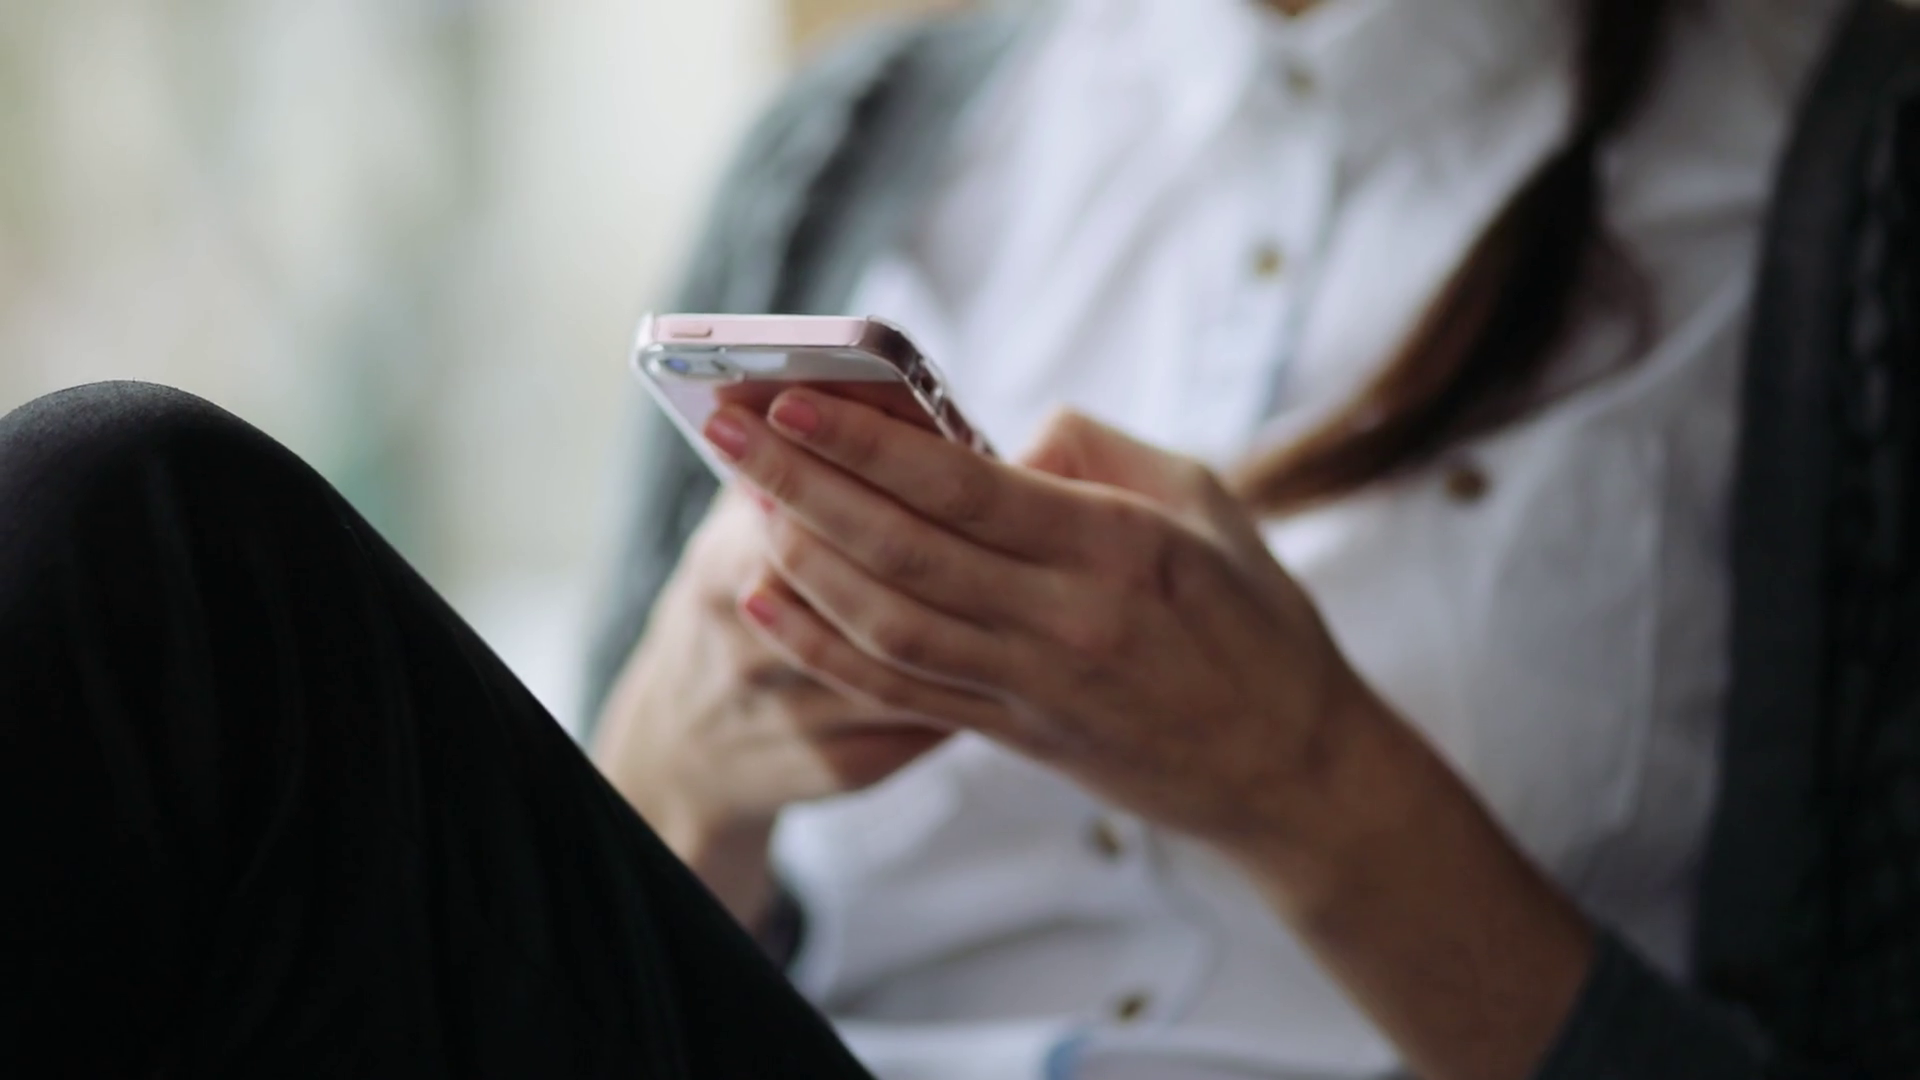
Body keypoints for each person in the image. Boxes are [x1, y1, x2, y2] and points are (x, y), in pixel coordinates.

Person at [586, 0, 1915, 1076]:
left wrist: (1305, 779)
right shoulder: (839, 149)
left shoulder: (1855, 170)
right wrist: (672, 782)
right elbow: (543, 994)